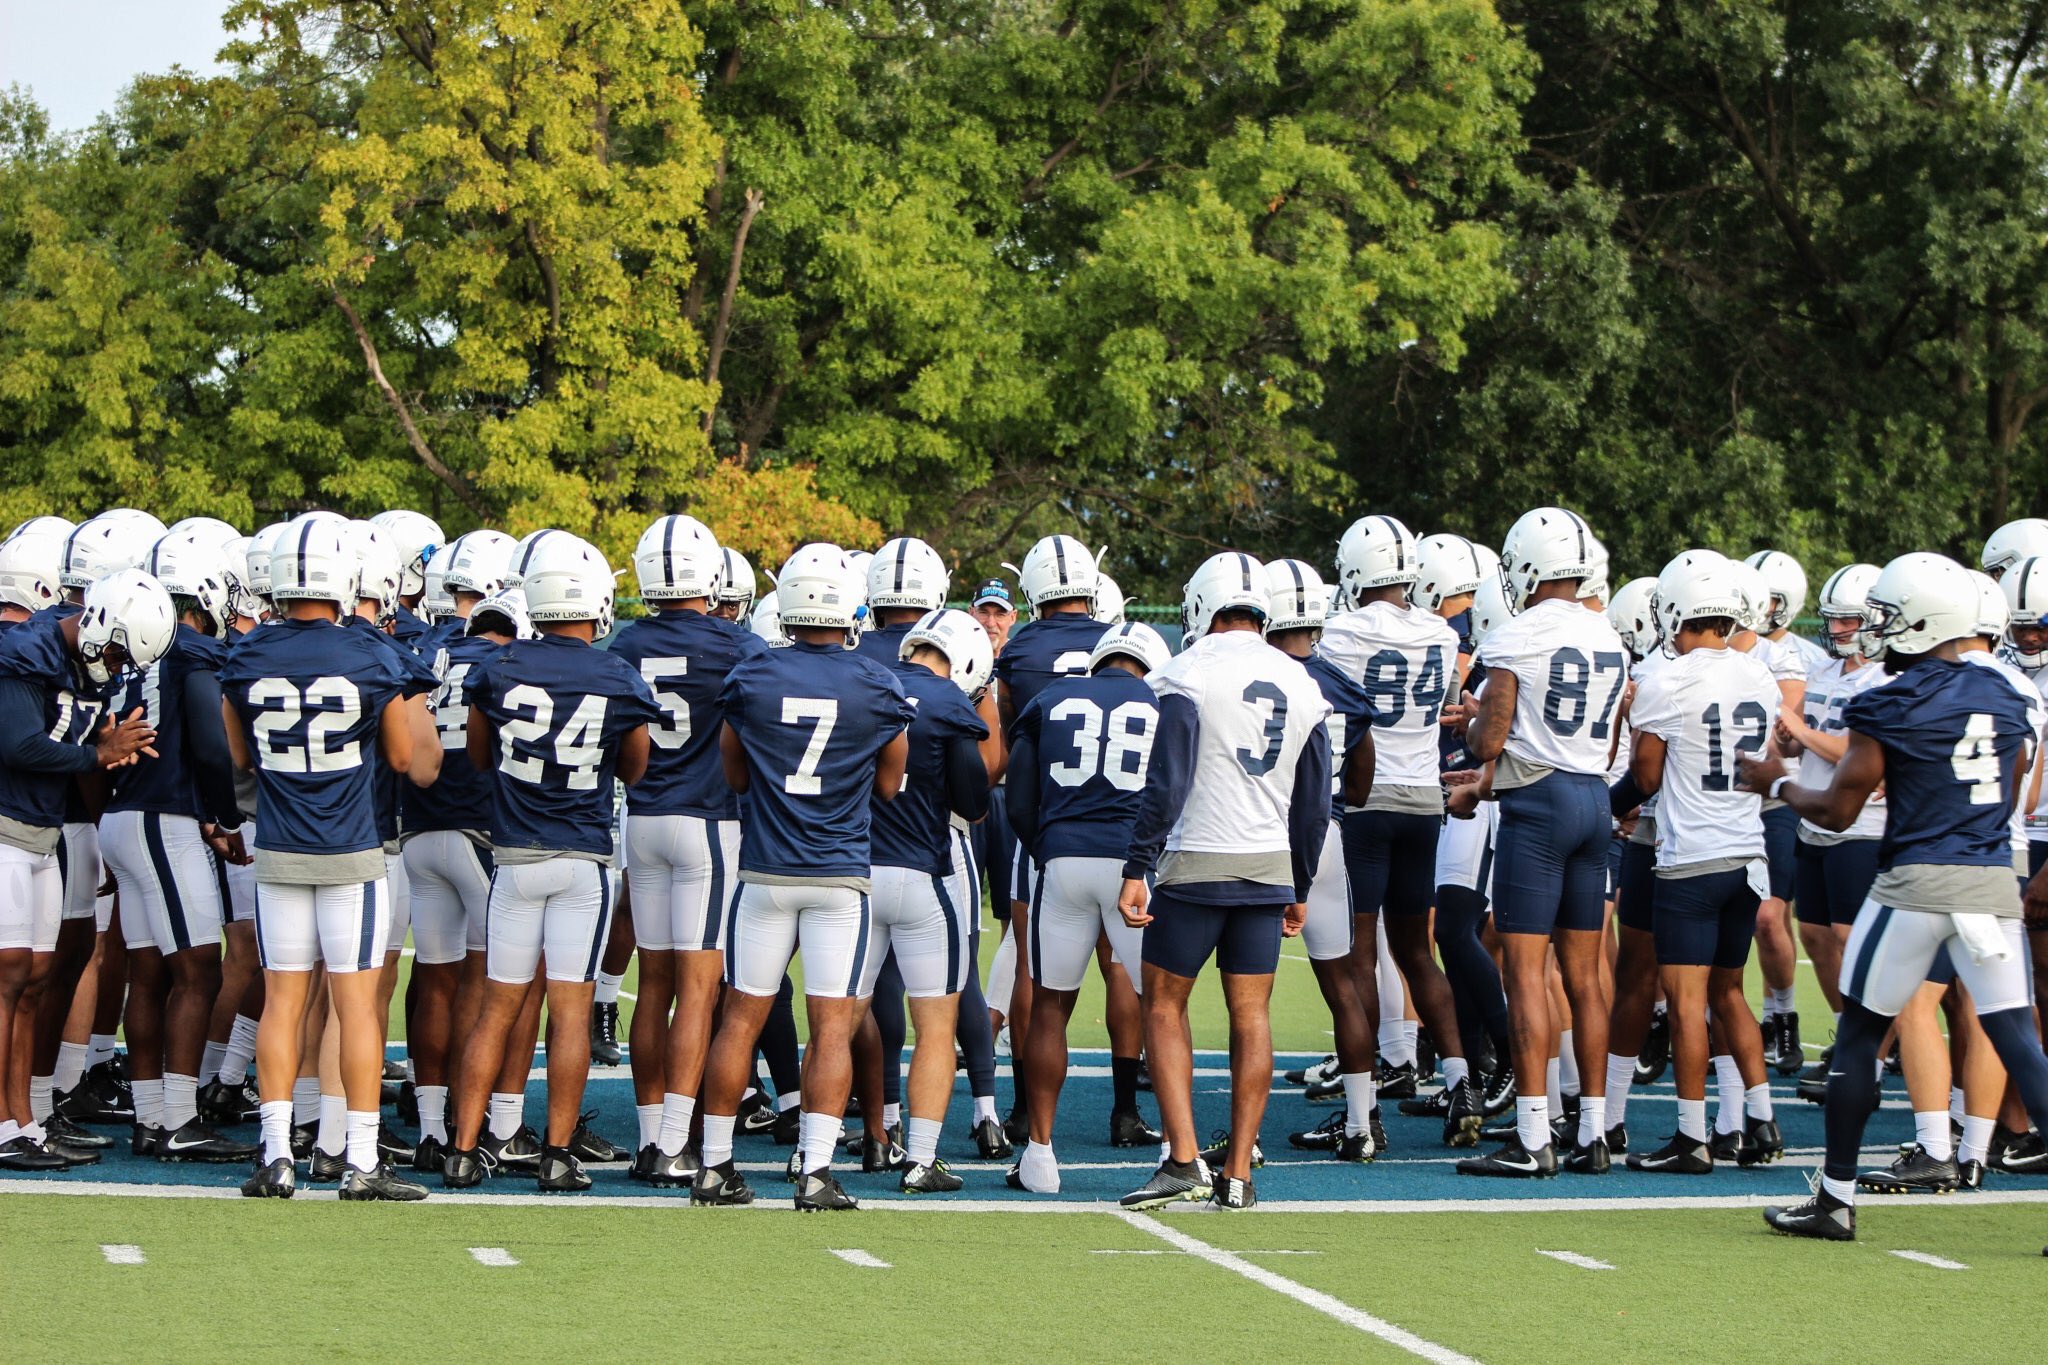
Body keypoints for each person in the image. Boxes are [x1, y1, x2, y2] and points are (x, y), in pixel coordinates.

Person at [1740, 553, 2048, 1242]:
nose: (1876, 627)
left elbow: (1838, 809)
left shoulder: (1890, 699)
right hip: (1993, 879)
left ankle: (1835, 1199)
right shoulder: (2009, 693)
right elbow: (2017, 775)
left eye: (1886, 614)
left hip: (1914, 882)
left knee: (1857, 1033)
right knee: (2020, 1042)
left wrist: (1775, 783)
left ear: (1920, 619)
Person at [689, 544, 912, 1211]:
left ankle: (715, 1164)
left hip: (765, 868)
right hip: (838, 872)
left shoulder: (752, 675)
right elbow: (891, 784)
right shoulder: (877, 683)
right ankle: (814, 1168)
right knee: (833, 1023)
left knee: (739, 1019)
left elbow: (733, 772)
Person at [442, 535, 659, 1192]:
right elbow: (637, 765)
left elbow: (480, 756)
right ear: (593, 601)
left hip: (513, 855)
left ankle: (461, 1147)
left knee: (497, 1009)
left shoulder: (500, 666)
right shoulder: (618, 673)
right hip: (581, 858)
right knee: (568, 1011)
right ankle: (557, 1153)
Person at [1116, 552, 1332, 1211]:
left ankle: (1184, 1159)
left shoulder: (1188, 670)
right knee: (1253, 1013)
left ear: (1202, 605)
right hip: (1268, 866)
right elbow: (1315, 797)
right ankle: (1238, 1170)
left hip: (1195, 863)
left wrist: (1137, 864)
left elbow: (1169, 780)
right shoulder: (1300, 681)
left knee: (1162, 1003)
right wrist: (1301, 878)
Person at [220, 515, 424, 1200]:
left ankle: (275, 1153)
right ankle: (360, 1159)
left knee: (284, 999)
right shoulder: (369, 656)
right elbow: (402, 755)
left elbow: (240, 757)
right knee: (357, 1004)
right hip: (351, 850)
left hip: (278, 847)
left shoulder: (247, 656)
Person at [1458, 508, 1626, 1178]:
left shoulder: (1518, 634)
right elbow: (1608, 738)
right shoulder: (1608, 632)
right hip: (1593, 798)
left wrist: (1474, 728)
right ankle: (1594, 1131)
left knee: (1525, 971)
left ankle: (1533, 1132)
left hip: (1542, 809)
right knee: (1584, 977)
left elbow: (1493, 740)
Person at [606, 515, 766, 1185]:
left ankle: (651, 1137)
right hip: (707, 822)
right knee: (702, 990)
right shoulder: (739, 646)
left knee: (656, 984)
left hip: (641, 818)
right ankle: (675, 1140)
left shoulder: (622, 642)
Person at [1619, 551, 1784, 1173]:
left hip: (1691, 859)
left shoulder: (1668, 678)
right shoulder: (1759, 675)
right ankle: (1761, 1120)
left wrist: (1609, 808)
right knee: (1731, 994)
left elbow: (1646, 774)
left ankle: (1692, 1138)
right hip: (1748, 854)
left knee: (1687, 1003)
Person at [1319, 516, 1481, 1147]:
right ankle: (1461, 1079)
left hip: (1364, 802)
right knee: (1417, 951)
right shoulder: (1440, 634)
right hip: (1422, 801)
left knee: (1357, 954)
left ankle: (1363, 1115)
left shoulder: (1342, 630)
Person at [0, 569, 169, 1171]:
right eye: (119, 649)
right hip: (5, 828)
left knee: (35, 979)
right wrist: (99, 752)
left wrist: (103, 747)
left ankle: (23, 1119)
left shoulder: (93, 664)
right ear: (98, 621)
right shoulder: (28, 652)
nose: (119, 663)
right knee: (9, 978)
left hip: (41, 833)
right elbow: (18, 743)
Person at [99, 532, 256, 1164]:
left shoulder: (130, 650)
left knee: (150, 972)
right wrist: (221, 815)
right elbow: (212, 745)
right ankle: (179, 1119)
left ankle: (150, 1116)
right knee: (198, 968)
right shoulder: (190, 653)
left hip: (121, 815)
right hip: (163, 817)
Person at [1007, 621, 1172, 1192]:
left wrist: (1049, 848)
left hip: (1065, 859)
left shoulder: (1051, 698)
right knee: (1162, 1006)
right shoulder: (1162, 701)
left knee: (1051, 1005)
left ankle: (1040, 1155)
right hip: (1136, 867)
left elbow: (1019, 797)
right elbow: (1175, 788)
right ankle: (1178, 1150)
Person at [1255, 563, 1390, 1159]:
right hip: (1327, 838)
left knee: (1246, 994)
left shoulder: (1248, 676)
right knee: (1343, 984)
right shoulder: (1341, 686)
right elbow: (1361, 784)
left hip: (1257, 836)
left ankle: (1243, 1139)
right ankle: (1363, 1125)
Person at [858, 608, 994, 1193]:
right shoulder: (951, 703)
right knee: (935, 1025)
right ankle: (921, 1158)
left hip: (853, 875)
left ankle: (819, 1149)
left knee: (837, 1018)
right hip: (921, 875)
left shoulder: (866, 684)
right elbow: (974, 799)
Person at [993, 537, 1111, 1145]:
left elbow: (1013, 735)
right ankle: (1127, 1107)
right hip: (1118, 822)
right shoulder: (1118, 639)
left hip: (1044, 818)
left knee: (1030, 965)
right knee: (1126, 973)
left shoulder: (1017, 651)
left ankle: (1022, 1109)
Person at [1776, 564, 1886, 1099]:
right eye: (1834, 619)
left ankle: (1869, 1053)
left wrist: (1802, 732)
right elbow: (1811, 741)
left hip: (1861, 825)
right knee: (1817, 937)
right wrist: (1791, 739)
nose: (1837, 629)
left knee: (1849, 938)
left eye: (1847, 620)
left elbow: (1855, 751)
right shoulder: (1825, 672)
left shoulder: (1886, 678)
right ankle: (1852, 1037)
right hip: (1815, 819)